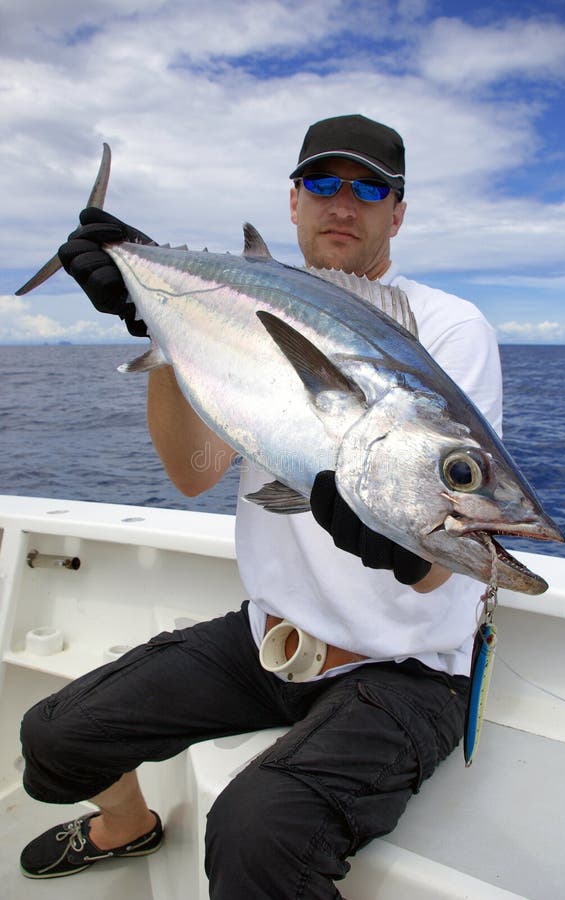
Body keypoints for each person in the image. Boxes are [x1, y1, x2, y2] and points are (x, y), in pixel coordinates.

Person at [19, 114, 502, 897]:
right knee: (55, 733)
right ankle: (126, 825)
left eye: (368, 188)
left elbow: (443, 562)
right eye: (322, 183)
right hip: (267, 641)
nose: (341, 204)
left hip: (407, 672)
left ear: (397, 212)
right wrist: (162, 325)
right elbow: (192, 471)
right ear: (292, 202)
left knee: (256, 832)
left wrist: (414, 549)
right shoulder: (235, 307)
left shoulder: (448, 327)